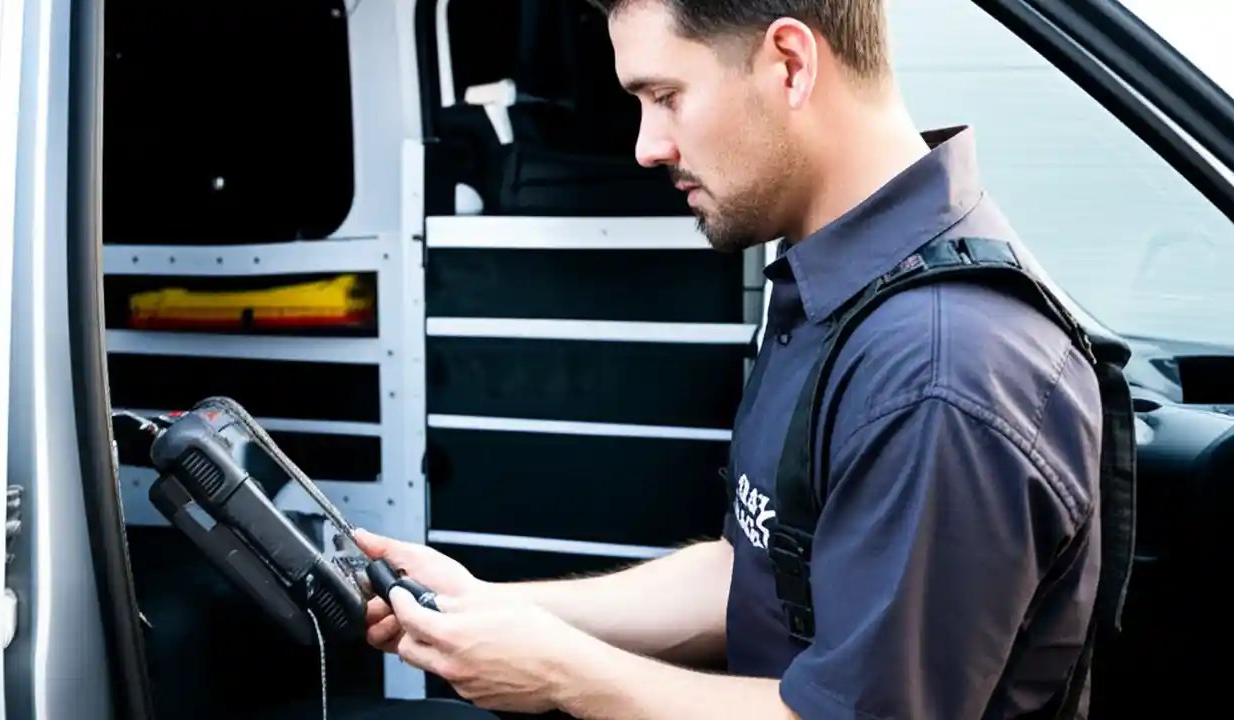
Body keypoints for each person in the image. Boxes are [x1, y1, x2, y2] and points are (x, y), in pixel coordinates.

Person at [357, 0, 1104, 718]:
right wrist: (488, 606)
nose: (647, 145)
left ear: (788, 64)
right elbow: (752, 573)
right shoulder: (840, 289)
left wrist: (559, 673)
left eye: (665, 96)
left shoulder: (937, 373)